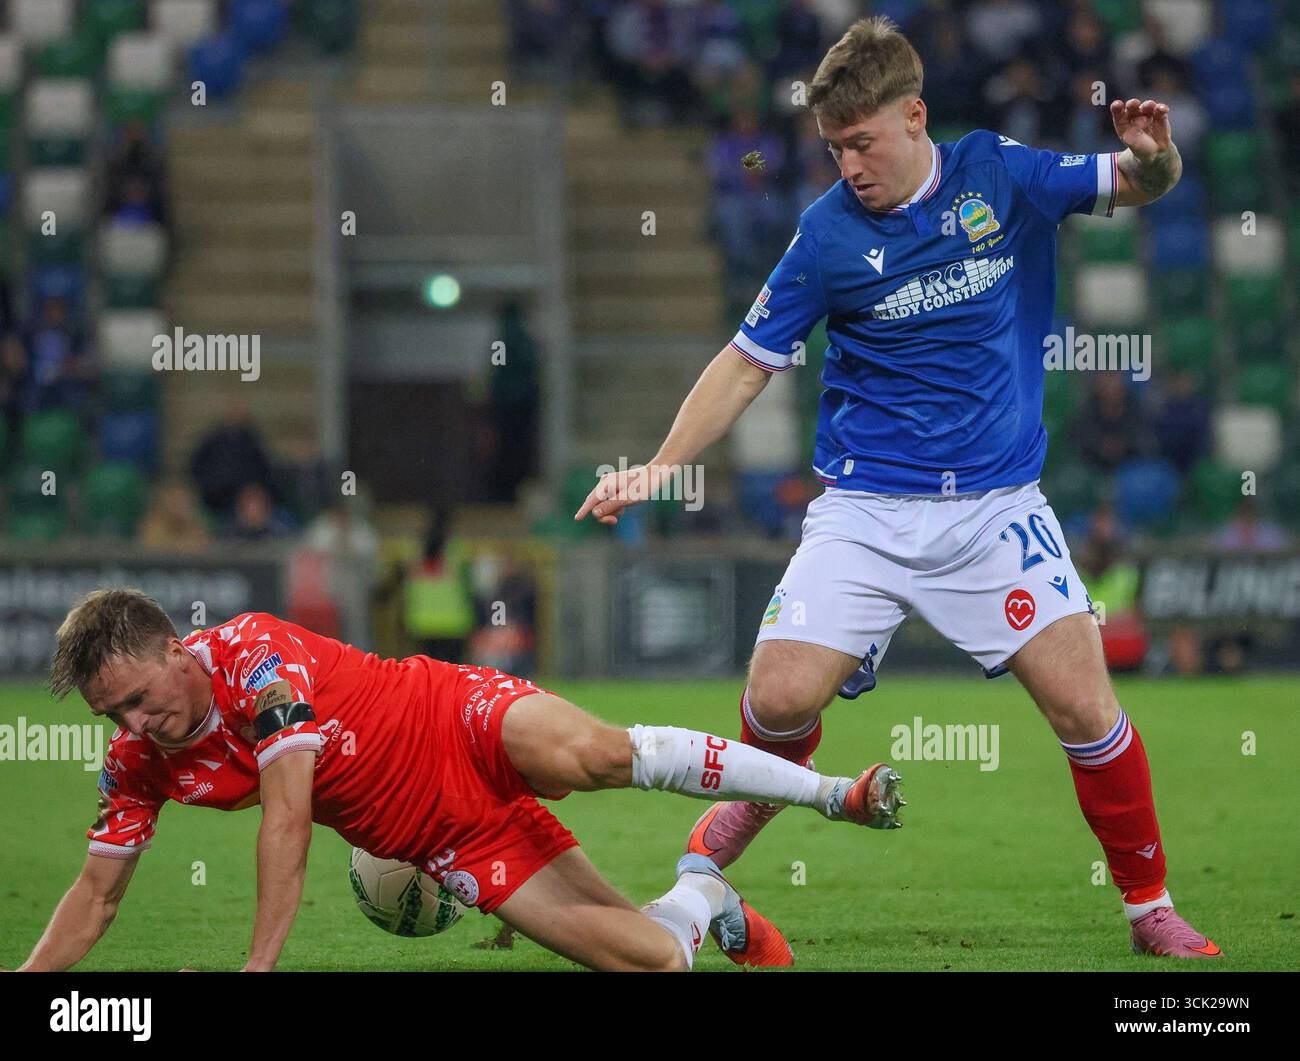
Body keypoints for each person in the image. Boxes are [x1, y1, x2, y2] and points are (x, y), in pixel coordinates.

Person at [576, 16, 1219, 960]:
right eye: (833, 148)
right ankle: (746, 812)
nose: (848, 166)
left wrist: (1155, 155)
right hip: (867, 510)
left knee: (1088, 710)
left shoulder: (999, 173)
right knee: (779, 697)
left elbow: (1139, 183)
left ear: (915, 117)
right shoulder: (825, 234)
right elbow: (747, 362)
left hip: (996, 507)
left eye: (862, 143)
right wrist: (662, 466)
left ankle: (1148, 906)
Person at [11, 588, 904, 973]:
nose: (132, 727)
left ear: (175, 649)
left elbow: (287, 818)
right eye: (112, 715)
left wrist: (259, 965)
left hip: (453, 716)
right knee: (653, 959)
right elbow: (95, 895)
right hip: (447, 840)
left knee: (597, 754)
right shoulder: (137, 761)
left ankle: (828, 791)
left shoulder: (254, 656)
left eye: (137, 699)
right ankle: (705, 894)